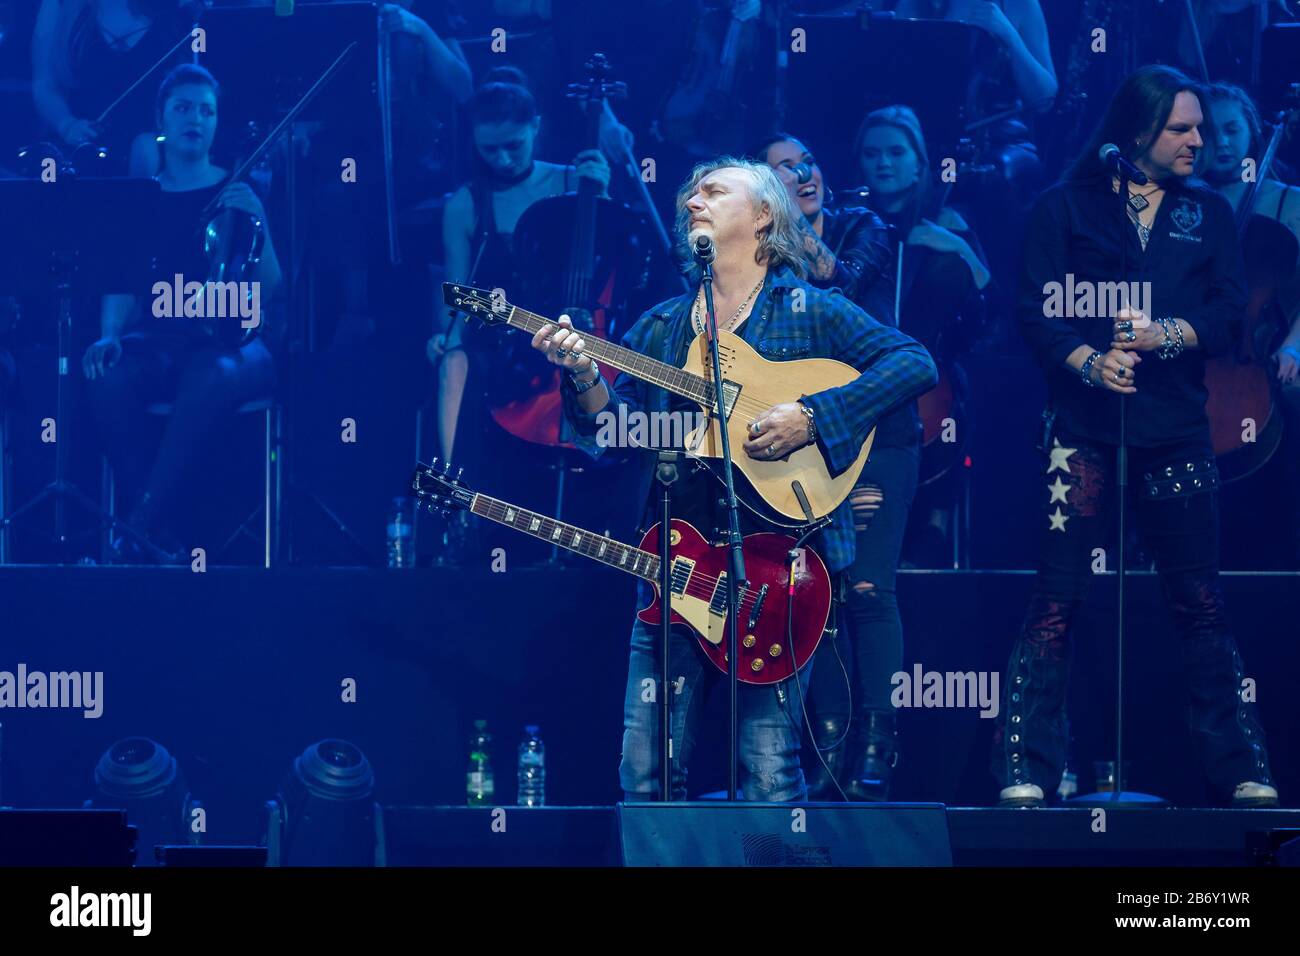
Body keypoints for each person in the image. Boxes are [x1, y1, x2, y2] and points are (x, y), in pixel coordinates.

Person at [530, 157, 937, 801]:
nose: (696, 197)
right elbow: (613, 434)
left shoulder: (811, 310)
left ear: (764, 216)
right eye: (692, 191)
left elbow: (912, 361)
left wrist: (813, 416)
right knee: (644, 773)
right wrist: (583, 376)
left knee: (769, 773)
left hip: (782, 573)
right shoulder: (662, 325)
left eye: (716, 190)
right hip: (677, 568)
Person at [992, 65, 1277, 808]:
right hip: (1081, 428)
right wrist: (1088, 359)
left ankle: (1240, 765)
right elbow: (1033, 309)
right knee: (1058, 596)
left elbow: (1225, 314)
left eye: (1200, 129)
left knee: (1199, 600)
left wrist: (1166, 335)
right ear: (1136, 131)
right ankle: (1028, 766)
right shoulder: (1065, 208)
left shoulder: (1207, 213)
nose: (1197, 141)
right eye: (1180, 129)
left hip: (1176, 431)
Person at [754, 131, 918, 800]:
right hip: (803, 438)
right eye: (783, 171)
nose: (803, 174)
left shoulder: (863, 226)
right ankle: (827, 748)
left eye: (808, 162)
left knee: (869, 590)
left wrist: (795, 221)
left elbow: (839, 284)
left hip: (879, 432)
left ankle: (877, 751)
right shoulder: (760, 254)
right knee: (816, 594)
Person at [82, 64, 280, 560]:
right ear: (162, 120)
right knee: (107, 374)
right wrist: (109, 335)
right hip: (164, 341)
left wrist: (257, 219)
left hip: (235, 345)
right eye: (184, 108)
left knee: (209, 370)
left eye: (207, 110)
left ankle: (136, 532)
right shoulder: (142, 199)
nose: (197, 118)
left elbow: (272, 287)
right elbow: (123, 283)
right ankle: (152, 534)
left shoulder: (240, 188)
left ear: (217, 121)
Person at [1202, 81, 1300, 568]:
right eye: (1208, 129)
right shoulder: (1182, 203)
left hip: (1273, 355)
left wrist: (1294, 347)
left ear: (1253, 133)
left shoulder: (1288, 203)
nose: (1220, 141)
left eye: (1232, 129)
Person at [32, 0, 195, 173]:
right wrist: (66, 124)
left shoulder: (174, 10)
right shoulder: (59, 5)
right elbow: (44, 84)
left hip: (157, 160)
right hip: (80, 158)